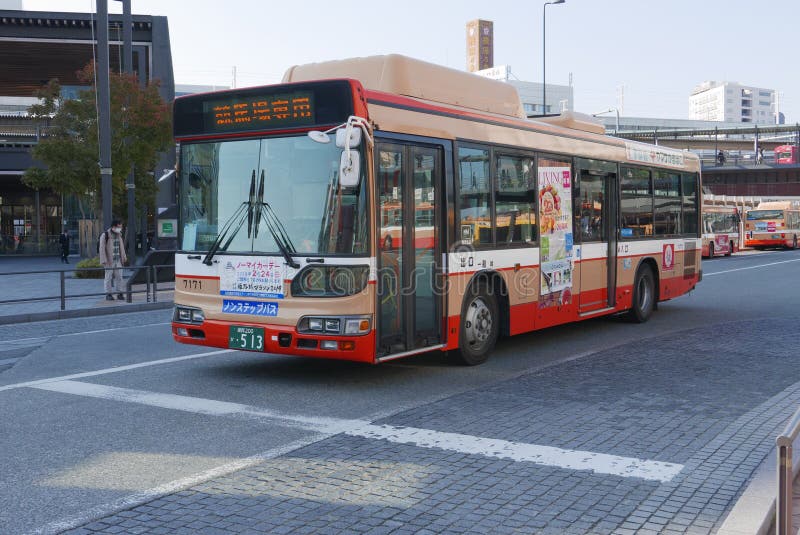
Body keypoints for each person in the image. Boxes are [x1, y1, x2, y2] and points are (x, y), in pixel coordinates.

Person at [99, 219, 127, 301]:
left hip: (118, 260)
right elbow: (101, 249)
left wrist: (124, 257)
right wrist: (103, 260)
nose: (120, 228)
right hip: (109, 261)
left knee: (120, 277)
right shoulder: (105, 235)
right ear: (113, 227)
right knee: (108, 278)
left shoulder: (119, 235)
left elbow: (121, 247)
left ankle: (120, 293)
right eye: (119, 227)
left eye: (121, 227)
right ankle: (108, 294)